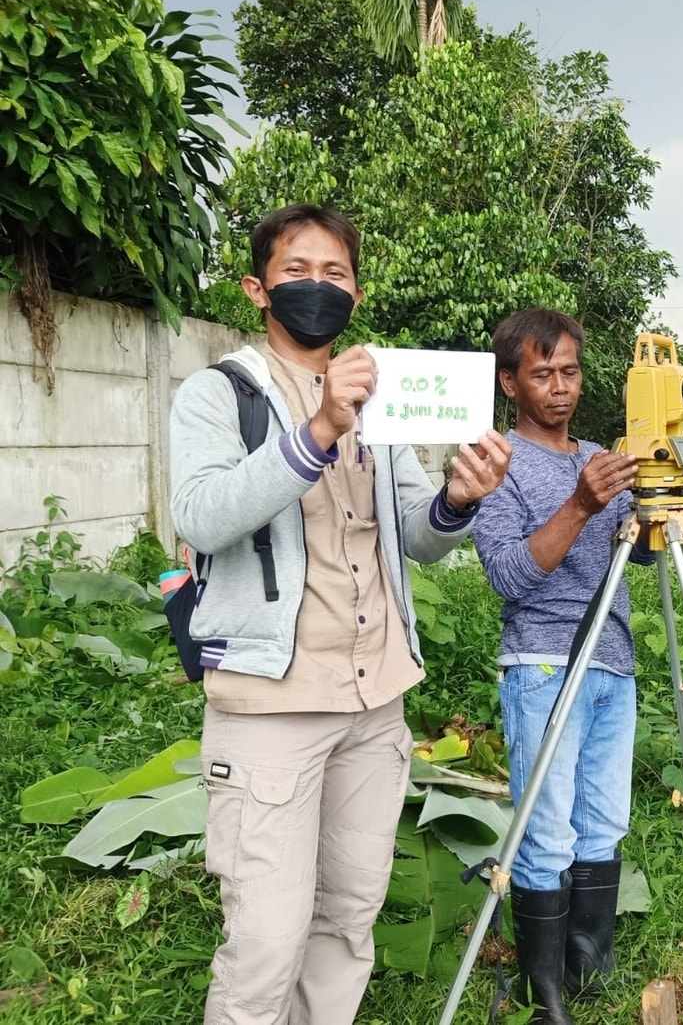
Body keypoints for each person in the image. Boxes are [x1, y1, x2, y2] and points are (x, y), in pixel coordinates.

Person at [168, 204, 512, 1025]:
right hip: (271, 707)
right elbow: (205, 516)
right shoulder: (219, 394)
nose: (317, 288)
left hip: (375, 699)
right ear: (258, 288)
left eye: (335, 275)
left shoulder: (380, 403)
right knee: (265, 939)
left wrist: (458, 500)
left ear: (356, 293)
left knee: (349, 917)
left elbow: (417, 537)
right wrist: (318, 429)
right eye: (296, 272)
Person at [471, 308, 651, 1025]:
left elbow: (635, 552)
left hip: (612, 664)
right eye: (542, 374)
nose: (559, 387)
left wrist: (661, 507)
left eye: (570, 372)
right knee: (546, 832)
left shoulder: (599, 455)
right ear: (511, 382)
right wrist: (581, 505)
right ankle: (544, 996)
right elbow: (510, 576)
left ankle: (587, 968)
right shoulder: (498, 465)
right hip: (543, 666)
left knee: (603, 823)